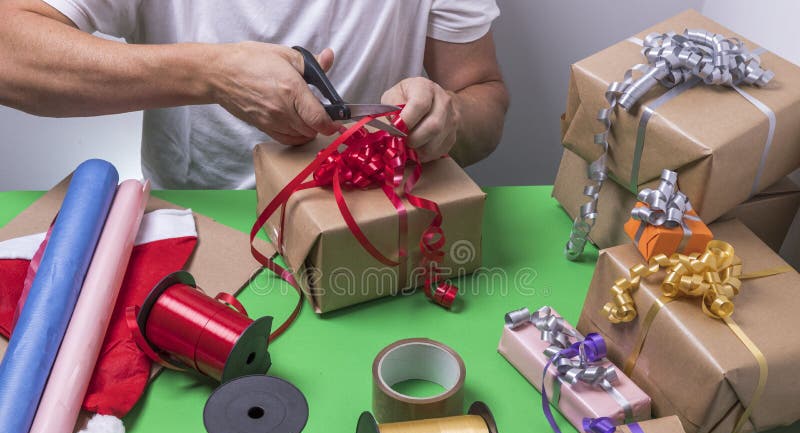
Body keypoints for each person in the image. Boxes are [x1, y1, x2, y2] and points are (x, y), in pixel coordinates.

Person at [0, 1, 509, 189]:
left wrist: (452, 117)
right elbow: (9, 50)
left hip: (375, 226)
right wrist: (209, 73)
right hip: (201, 223)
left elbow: (483, 94)